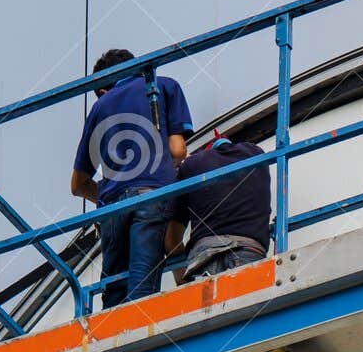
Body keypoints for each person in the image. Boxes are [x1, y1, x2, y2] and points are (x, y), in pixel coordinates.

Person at [71, 48, 193, 307]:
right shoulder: (164, 86)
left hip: (112, 207)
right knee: (142, 287)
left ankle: (111, 341)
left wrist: (106, 196)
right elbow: (177, 150)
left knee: (114, 292)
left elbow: (78, 184)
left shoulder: (98, 108)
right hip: (153, 195)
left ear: (102, 89)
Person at [163, 133, 271, 282]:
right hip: (249, 250)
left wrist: (181, 281)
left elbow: (171, 241)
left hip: (205, 256)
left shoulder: (192, 164)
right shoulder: (256, 154)